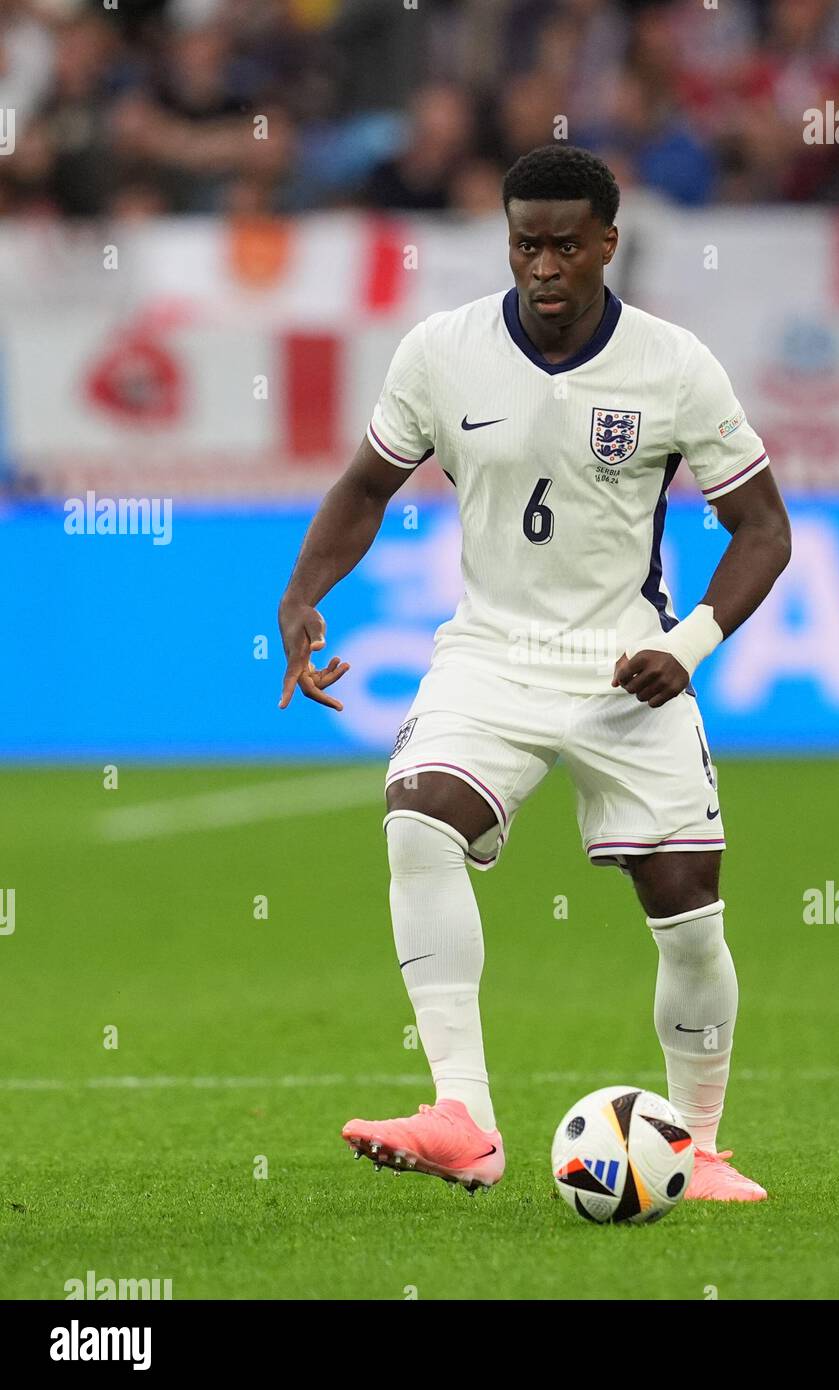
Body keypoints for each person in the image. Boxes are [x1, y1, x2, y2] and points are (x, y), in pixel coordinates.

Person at [278, 144, 791, 1203]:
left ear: (608, 243)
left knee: (689, 915)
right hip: (489, 657)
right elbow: (365, 485)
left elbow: (761, 530)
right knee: (416, 819)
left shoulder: (673, 364)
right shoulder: (440, 350)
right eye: (525, 243)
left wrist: (685, 648)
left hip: (623, 669)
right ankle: (461, 1114)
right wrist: (300, 597)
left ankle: (695, 1147)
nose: (543, 264)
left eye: (565, 244)